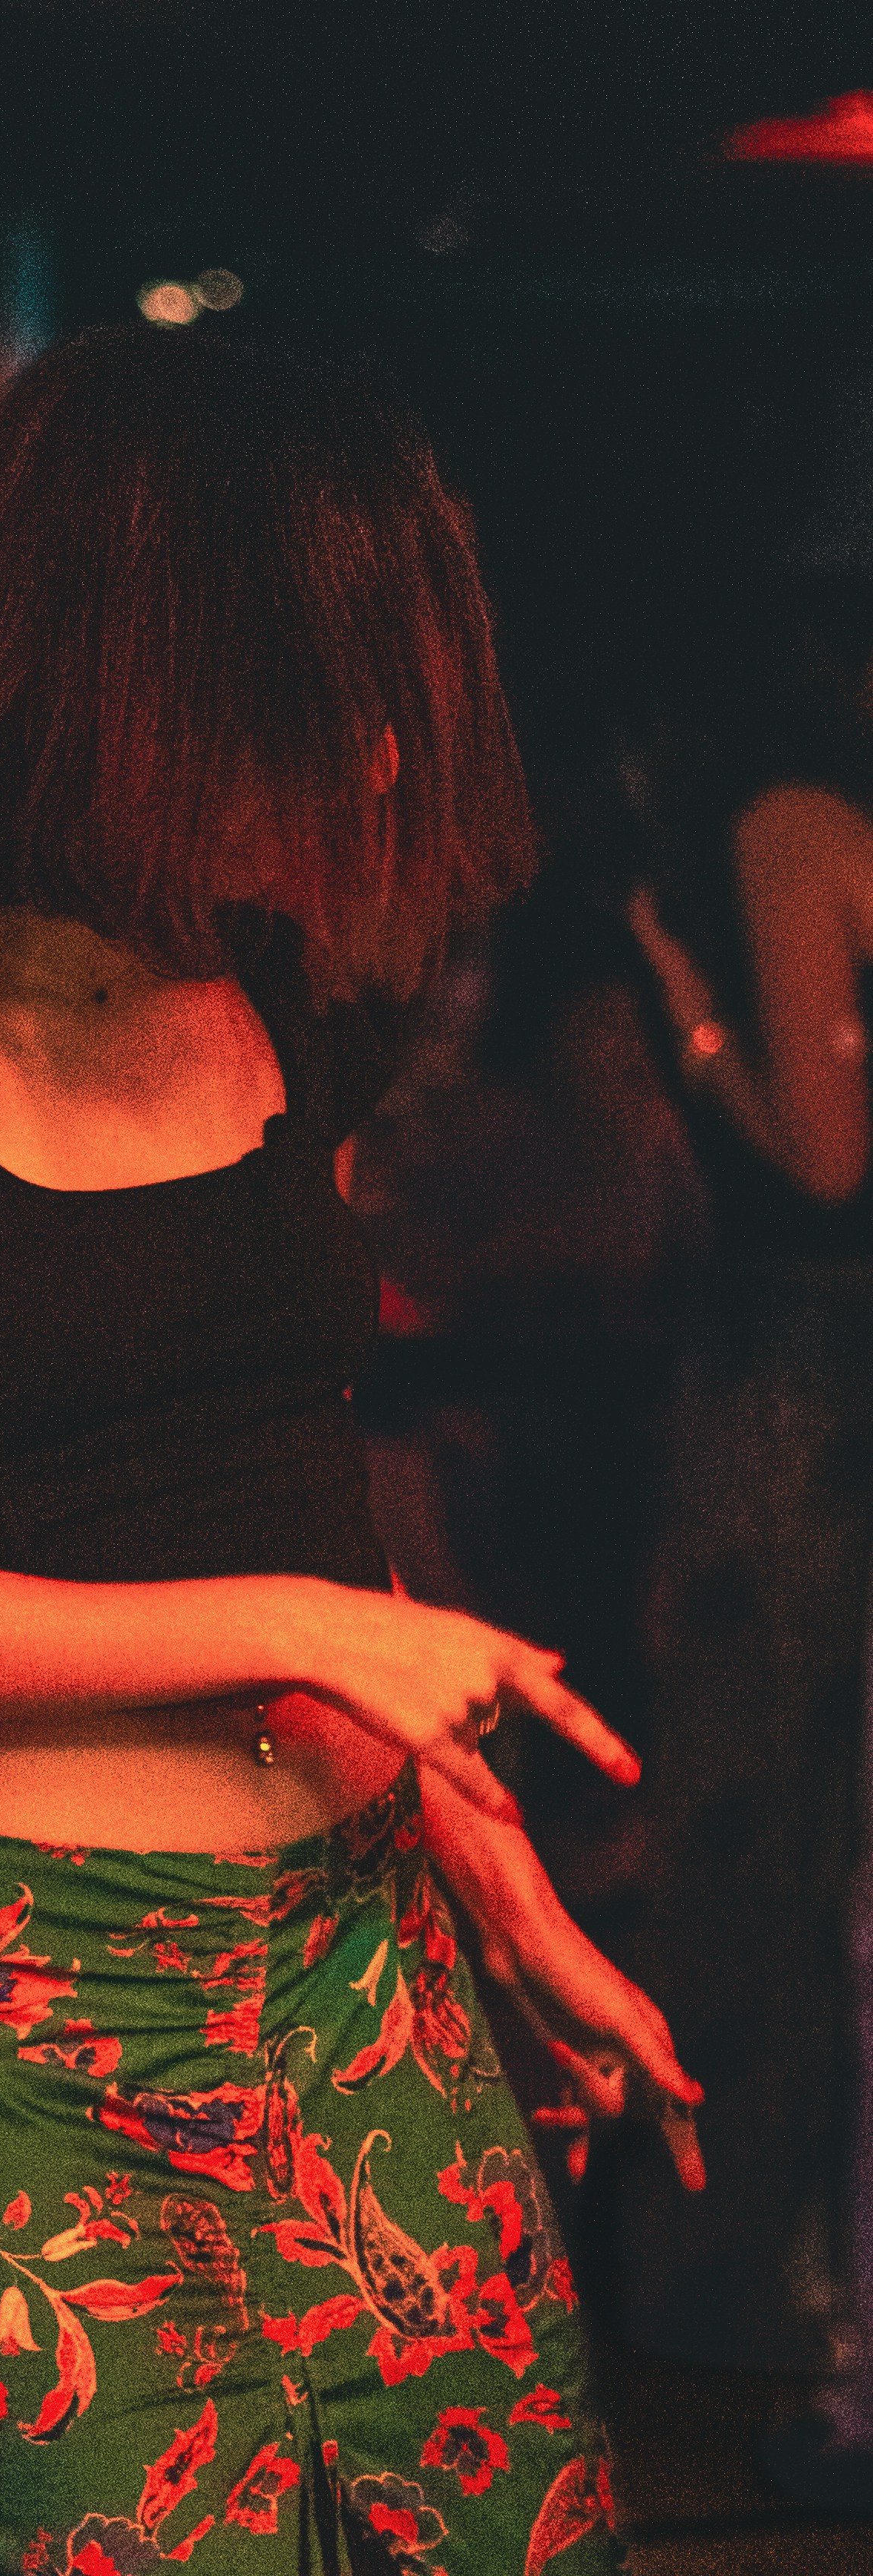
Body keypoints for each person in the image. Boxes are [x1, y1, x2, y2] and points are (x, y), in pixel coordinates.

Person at [0, 324, 701, 2576]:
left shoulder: (278, 995)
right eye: (328, 684)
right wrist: (302, 1622)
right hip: (26, 2012)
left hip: (363, 1957)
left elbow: (294, 1504)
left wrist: (497, 1886)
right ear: (143, 658)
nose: (367, 755)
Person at [615, 589, 873, 2478]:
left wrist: (682, 1012)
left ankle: (755, 2297)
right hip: (811, 1360)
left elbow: (823, 1150)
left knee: (764, 1818)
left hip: (808, 1362)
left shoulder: (783, 823)